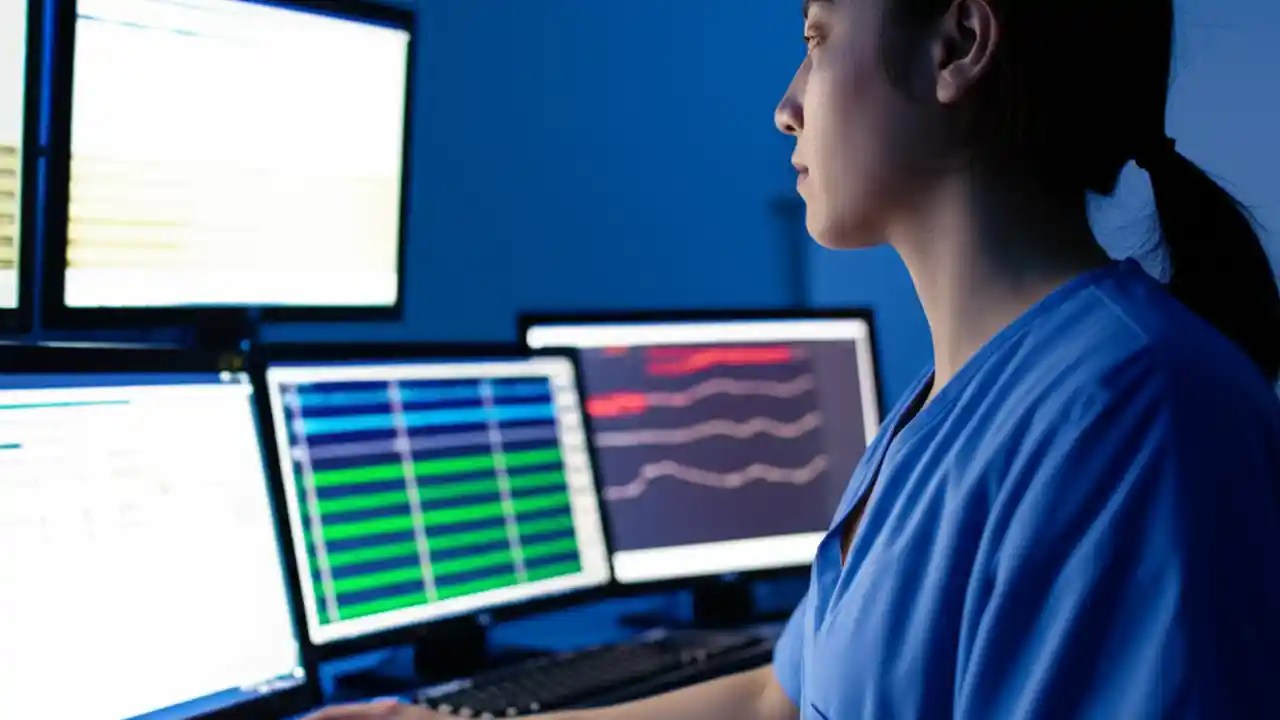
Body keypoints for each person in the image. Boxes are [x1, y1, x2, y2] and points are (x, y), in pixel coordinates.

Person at [307, 0, 1280, 717]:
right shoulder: (937, 412)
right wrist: (431, 719)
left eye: (814, 41)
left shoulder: (1130, 415)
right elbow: (778, 706)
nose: (784, 107)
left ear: (957, 46)